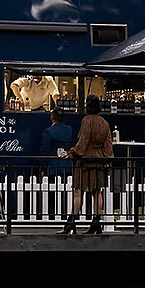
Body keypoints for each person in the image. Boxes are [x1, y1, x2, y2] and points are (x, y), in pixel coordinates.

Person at [58, 95, 114, 235]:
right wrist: (107, 159)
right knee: (97, 192)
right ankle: (96, 222)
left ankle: (71, 222)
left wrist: (71, 153)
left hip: (85, 161)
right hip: (99, 161)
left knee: (78, 191)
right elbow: (108, 145)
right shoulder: (104, 123)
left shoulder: (87, 120)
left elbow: (83, 142)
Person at [41, 107, 74, 177]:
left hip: (53, 166)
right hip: (68, 165)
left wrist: (43, 168)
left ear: (52, 117)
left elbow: (45, 151)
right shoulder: (69, 130)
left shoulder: (48, 132)